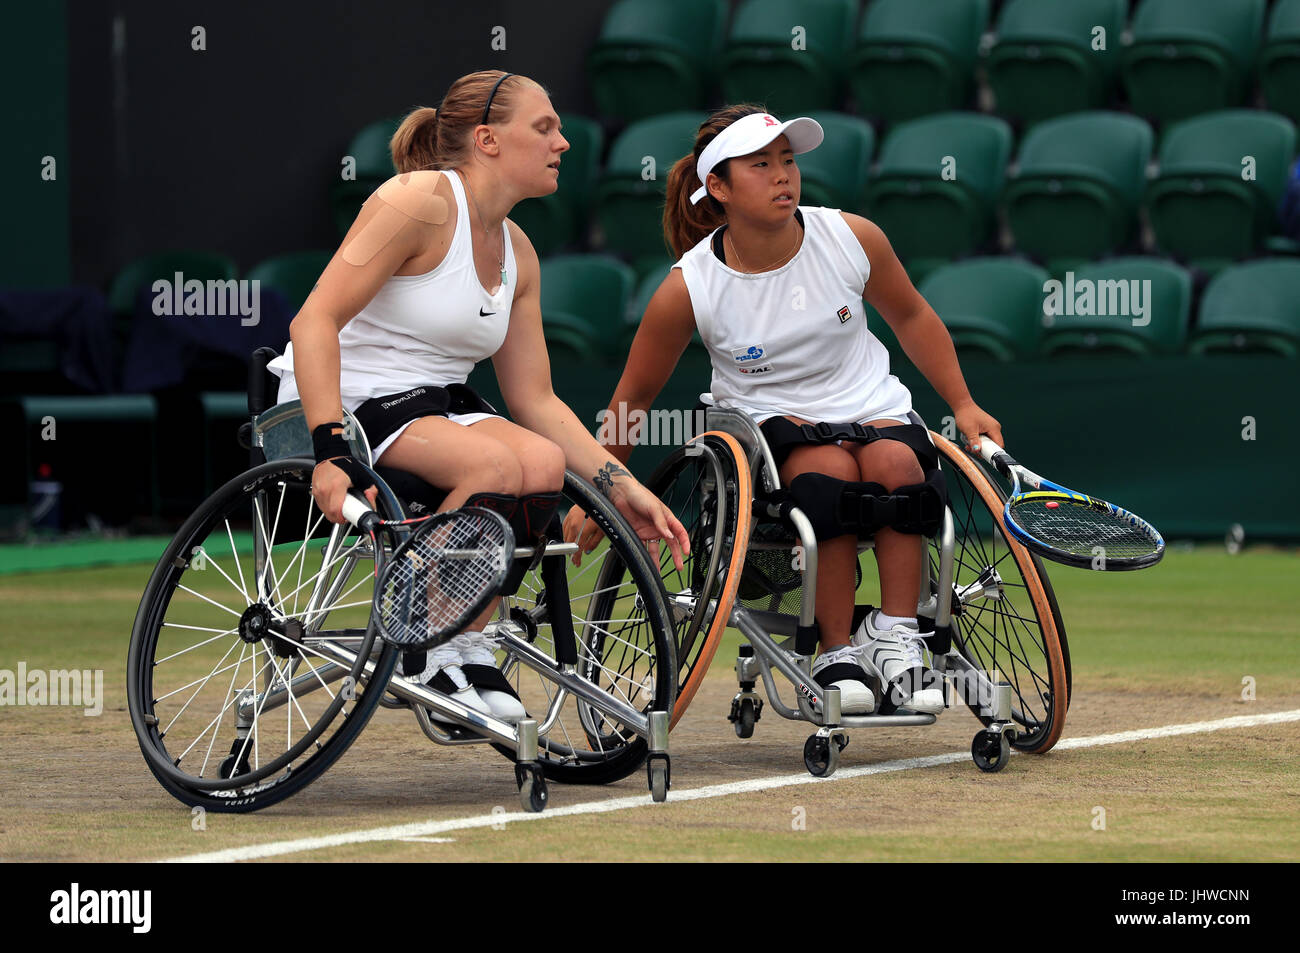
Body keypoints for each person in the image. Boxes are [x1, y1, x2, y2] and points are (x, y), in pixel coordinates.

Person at [269, 70, 689, 725]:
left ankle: (465, 637)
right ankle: (437, 650)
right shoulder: (417, 200)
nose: (564, 143)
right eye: (544, 127)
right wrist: (327, 449)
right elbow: (312, 322)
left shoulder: (519, 250)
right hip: (338, 402)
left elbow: (539, 401)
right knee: (493, 467)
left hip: (433, 404)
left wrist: (617, 483)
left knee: (545, 463)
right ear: (488, 139)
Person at [566, 105, 1003, 715]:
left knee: (901, 470)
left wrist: (964, 403)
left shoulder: (852, 236)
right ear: (717, 186)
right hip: (773, 428)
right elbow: (633, 398)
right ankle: (835, 650)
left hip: (872, 406)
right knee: (829, 475)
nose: (783, 176)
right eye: (761, 164)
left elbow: (912, 317)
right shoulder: (688, 286)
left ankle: (897, 637)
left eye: (789, 161)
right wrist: (602, 488)